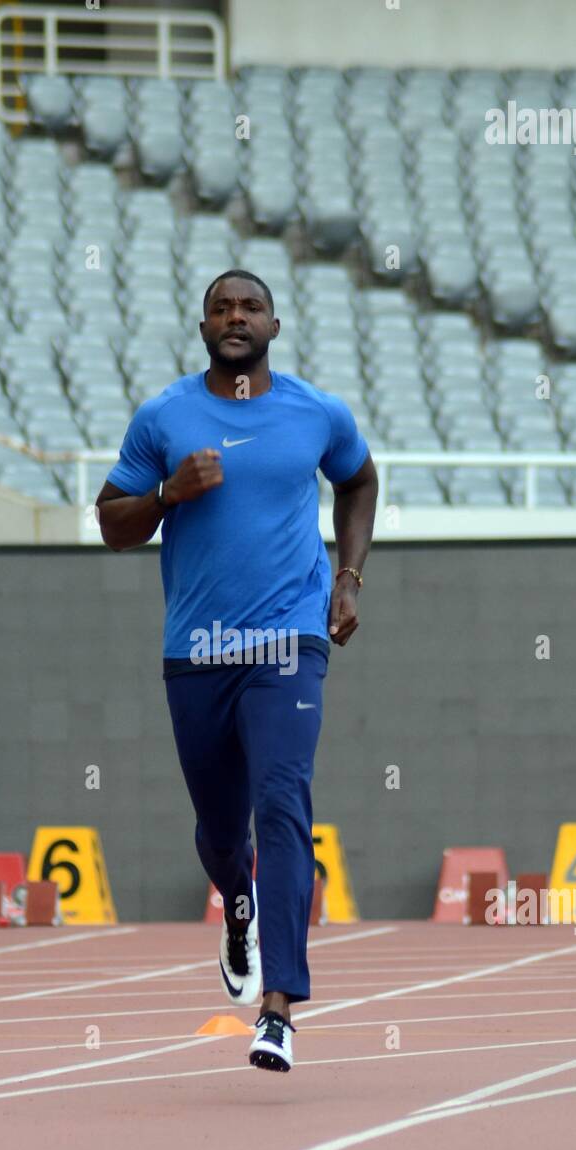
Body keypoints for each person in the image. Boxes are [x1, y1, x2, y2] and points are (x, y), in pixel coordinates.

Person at [97, 270, 377, 1072]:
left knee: (282, 803)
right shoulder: (165, 416)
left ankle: (280, 1005)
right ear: (202, 325)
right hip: (197, 651)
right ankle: (239, 903)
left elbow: (358, 479)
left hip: (288, 643)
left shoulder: (317, 412)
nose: (235, 317)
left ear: (275, 326)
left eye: (250, 306)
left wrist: (348, 580)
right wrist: (166, 494)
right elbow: (112, 522)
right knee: (223, 833)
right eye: (222, 306)